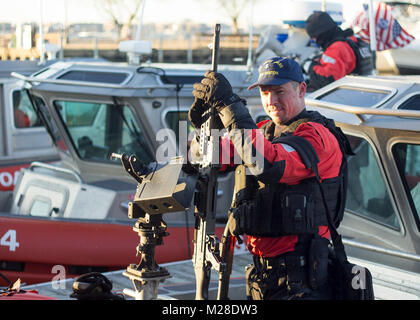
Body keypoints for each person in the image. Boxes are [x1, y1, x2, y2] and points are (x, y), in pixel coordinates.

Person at [188, 57, 353, 300]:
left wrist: (230, 106)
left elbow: (269, 163)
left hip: (301, 281)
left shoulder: (317, 136)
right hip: (264, 277)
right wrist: (203, 125)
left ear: (302, 89)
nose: (271, 101)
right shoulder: (264, 131)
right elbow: (202, 156)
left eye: (279, 91)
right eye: (265, 92)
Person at [303, 11, 374, 92]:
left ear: (322, 33)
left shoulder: (336, 48)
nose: (315, 40)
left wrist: (310, 67)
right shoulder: (352, 39)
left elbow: (329, 80)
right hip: (364, 90)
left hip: (349, 95)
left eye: (314, 37)